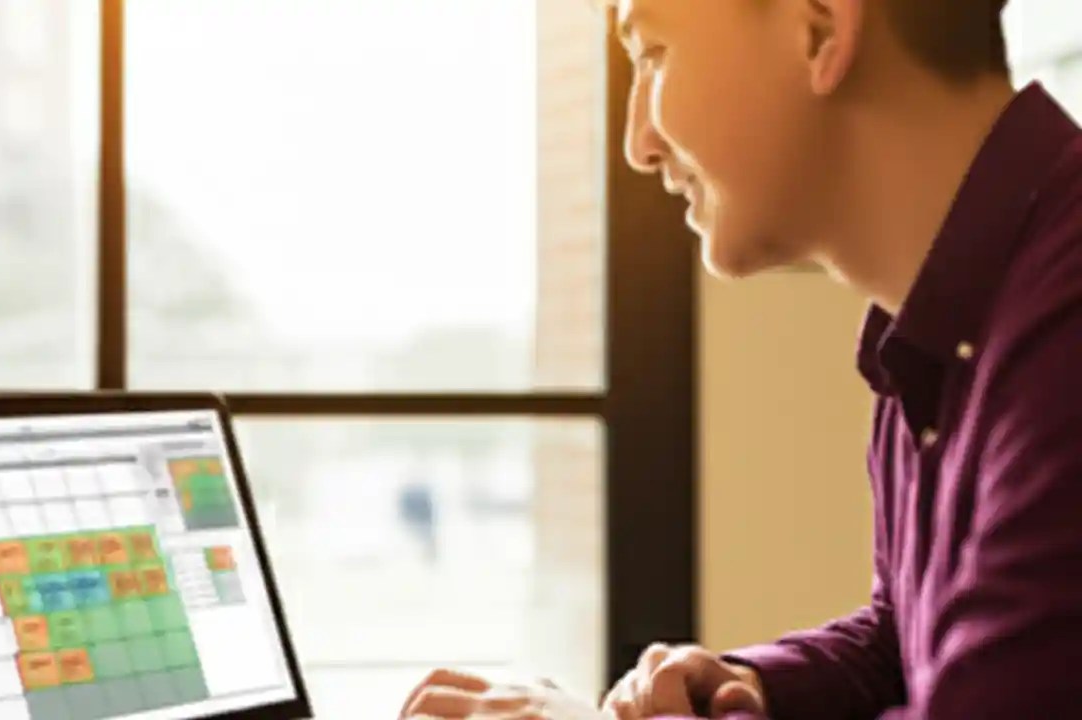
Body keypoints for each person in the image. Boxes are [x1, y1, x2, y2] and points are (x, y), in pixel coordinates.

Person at [399, 0, 1082, 717]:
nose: (639, 143)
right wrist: (752, 687)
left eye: (654, 53)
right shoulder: (944, 321)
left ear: (819, 29)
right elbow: (909, 647)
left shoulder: (1063, 327)